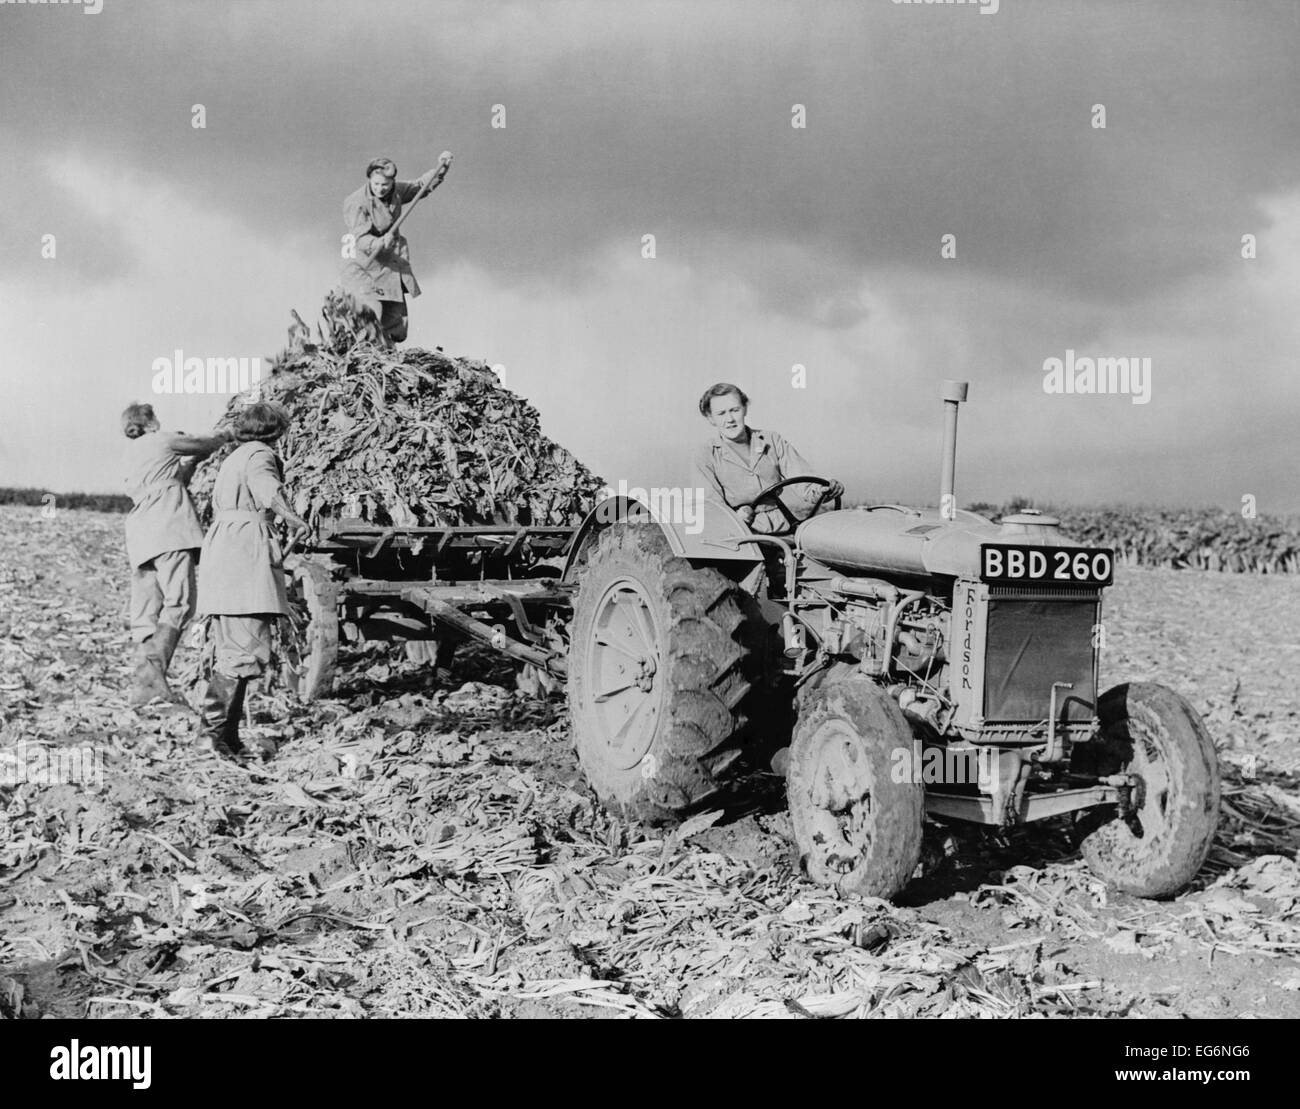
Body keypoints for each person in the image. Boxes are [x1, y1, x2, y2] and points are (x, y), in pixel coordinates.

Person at [195, 402, 308, 759]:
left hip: (226, 548)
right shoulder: (260, 454)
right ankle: (210, 738)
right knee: (242, 652)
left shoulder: (234, 456)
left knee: (234, 650)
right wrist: (292, 517)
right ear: (275, 431)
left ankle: (225, 739)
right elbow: (267, 489)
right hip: (244, 552)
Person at [121, 403, 233, 706]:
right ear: (150, 422)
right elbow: (205, 443)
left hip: (141, 532)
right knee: (181, 602)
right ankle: (152, 678)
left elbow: (172, 479)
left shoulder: (131, 453)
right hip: (168, 526)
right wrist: (226, 434)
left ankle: (143, 684)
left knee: (146, 608)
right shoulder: (163, 439)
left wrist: (193, 463)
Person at [694, 383, 844, 535]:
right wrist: (736, 518)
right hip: (741, 533)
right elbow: (713, 507)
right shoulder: (706, 455)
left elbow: (805, 484)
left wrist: (825, 490)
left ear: (745, 409)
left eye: (735, 410)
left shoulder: (772, 440)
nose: (730, 419)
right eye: (721, 414)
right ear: (710, 418)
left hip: (784, 526)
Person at [340, 156, 446, 345]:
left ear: (393, 182)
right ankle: (363, 354)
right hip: (365, 265)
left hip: (389, 266)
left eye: (386, 185)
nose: (381, 188)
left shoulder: (397, 192)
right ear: (370, 179)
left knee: (393, 319)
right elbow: (360, 237)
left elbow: (420, 186)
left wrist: (442, 168)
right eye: (377, 184)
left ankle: (386, 356)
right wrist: (379, 242)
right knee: (370, 315)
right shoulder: (356, 202)